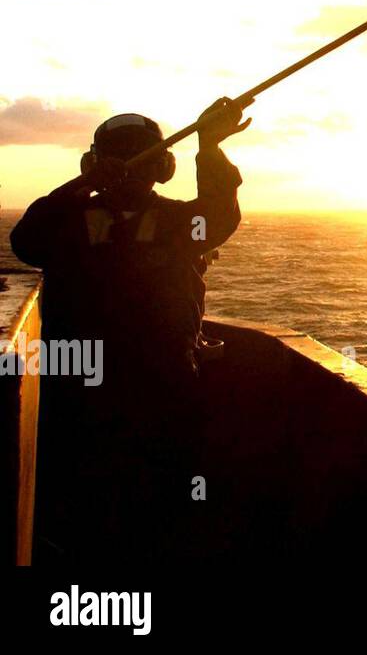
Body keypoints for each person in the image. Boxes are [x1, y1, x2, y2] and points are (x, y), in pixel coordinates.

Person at [9, 97, 249, 561]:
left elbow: (219, 216)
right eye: (118, 158)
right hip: (87, 388)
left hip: (159, 381)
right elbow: (26, 241)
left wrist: (209, 147)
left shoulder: (182, 222)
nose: (130, 169)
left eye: (137, 157)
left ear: (162, 167)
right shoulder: (70, 219)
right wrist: (82, 187)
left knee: (159, 496)